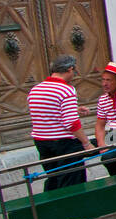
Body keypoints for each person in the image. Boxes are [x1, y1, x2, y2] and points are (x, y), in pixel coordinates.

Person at [27, 55, 93, 192]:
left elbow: (46, 111)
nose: (74, 75)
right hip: (64, 144)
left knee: (54, 178)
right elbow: (72, 124)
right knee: (71, 183)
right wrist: (86, 143)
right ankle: (72, 212)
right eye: (74, 71)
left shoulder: (36, 89)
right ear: (70, 69)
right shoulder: (66, 90)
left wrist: (74, 109)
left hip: (42, 143)